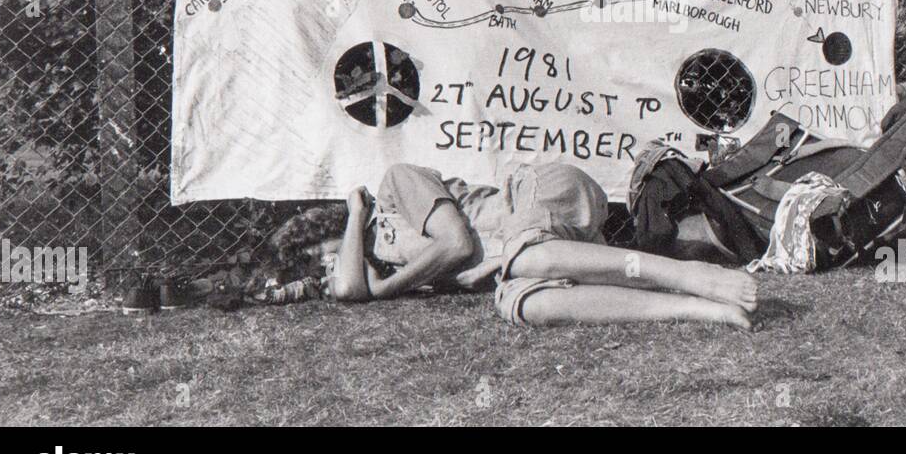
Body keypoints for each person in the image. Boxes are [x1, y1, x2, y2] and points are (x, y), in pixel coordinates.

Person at [274, 161, 759, 329]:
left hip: (542, 194)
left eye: (324, 255)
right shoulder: (390, 269)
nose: (332, 268)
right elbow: (349, 290)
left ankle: (687, 275)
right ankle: (695, 308)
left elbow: (456, 243)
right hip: (526, 258)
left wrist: (357, 213)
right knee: (524, 306)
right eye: (322, 270)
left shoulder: (395, 186)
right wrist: (367, 274)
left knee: (527, 254)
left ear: (333, 228)